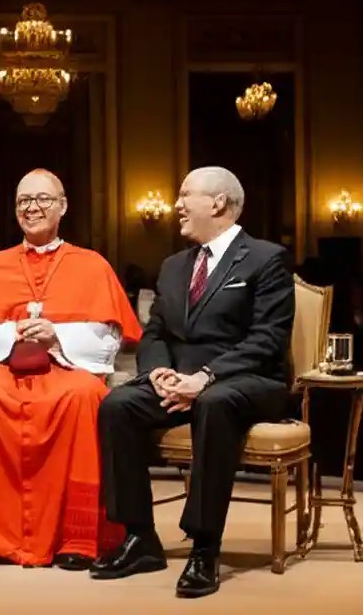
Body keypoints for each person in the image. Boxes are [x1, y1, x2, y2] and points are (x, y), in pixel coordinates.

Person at [93, 166, 294, 599]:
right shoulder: (172, 266)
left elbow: (267, 339)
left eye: (185, 195)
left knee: (214, 403)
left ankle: (205, 546)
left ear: (218, 203)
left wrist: (204, 377)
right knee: (115, 406)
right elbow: (156, 332)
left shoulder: (265, 258)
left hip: (247, 379)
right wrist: (158, 374)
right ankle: (139, 537)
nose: (176, 205)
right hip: (179, 377)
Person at [0, 169, 141, 570]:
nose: (32, 208)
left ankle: (78, 538)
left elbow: (110, 337)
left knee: (85, 396)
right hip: (7, 368)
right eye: (23, 202)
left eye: (42, 200)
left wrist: (56, 337)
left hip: (68, 370)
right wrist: (13, 334)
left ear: (63, 207)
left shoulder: (92, 265)